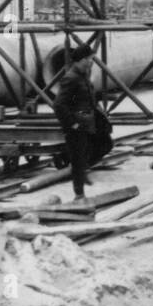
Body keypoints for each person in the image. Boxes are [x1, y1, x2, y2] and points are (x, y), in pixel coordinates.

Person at [52, 53, 114, 201]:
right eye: (89, 59)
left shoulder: (82, 75)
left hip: (87, 122)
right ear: (80, 60)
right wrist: (72, 124)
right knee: (77, 158)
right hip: (76, 126)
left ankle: (83, 170)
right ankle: (79, 194)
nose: (91, 62)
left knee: (105, 144)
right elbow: (59, 104)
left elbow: (86, 97)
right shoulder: (70, 78)